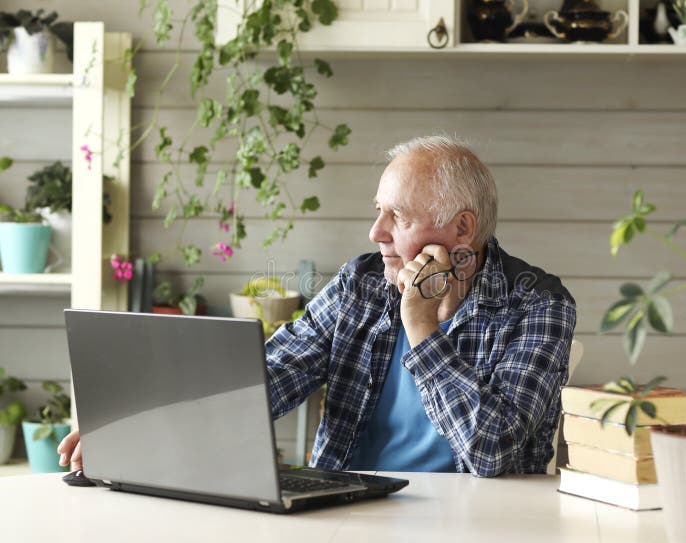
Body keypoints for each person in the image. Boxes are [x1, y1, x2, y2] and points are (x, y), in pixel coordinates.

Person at [58, 135, 577, 477]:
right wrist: (139, 428)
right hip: (347, 516)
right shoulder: (362, 285)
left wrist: (420, 329)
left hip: (475, 525)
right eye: (379, 212)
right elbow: (267, 378)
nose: (377, 233)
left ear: (461, 229)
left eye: (398, 217)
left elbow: (493, 452)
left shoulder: (538, 305)